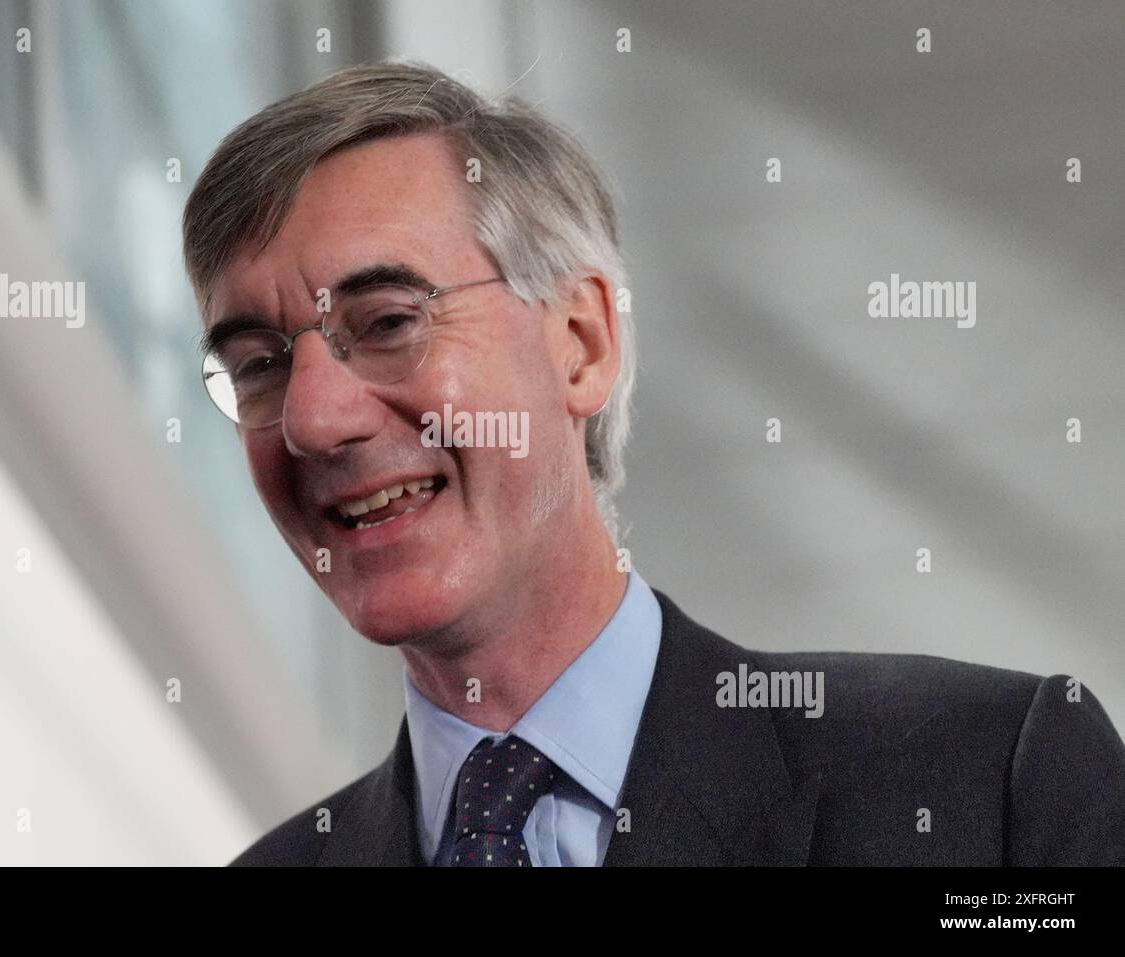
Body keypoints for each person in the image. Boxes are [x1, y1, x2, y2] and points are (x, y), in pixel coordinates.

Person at [181, 60, 1125, 866]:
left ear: (582, 342)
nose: (312, 417)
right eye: (259, 364)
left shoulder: (989, 787)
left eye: (387, 321)